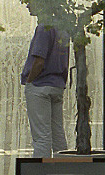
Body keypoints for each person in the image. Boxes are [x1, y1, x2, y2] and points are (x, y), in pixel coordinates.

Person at [21, 23, 70, 158]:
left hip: (40, 84)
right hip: (57, 84)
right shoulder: (63, 28)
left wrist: (30, 81)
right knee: (58, 133)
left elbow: (39, 61)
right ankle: (64, 171)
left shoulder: (44, 28)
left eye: (30, 1)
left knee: (41, 137)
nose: (28, 6)